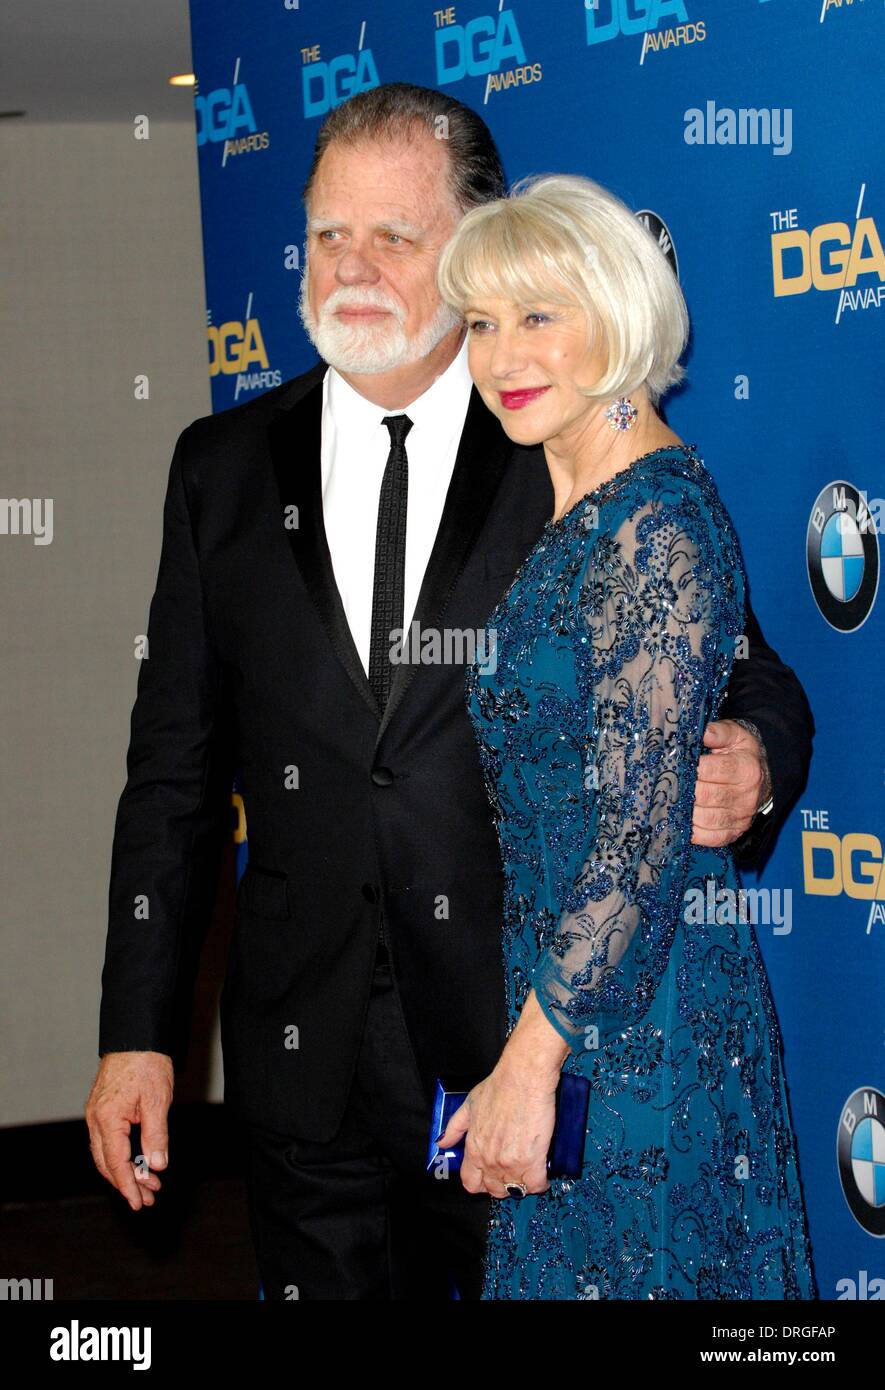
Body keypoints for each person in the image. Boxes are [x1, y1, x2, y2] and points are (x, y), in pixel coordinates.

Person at [86, 84, 813, 1301]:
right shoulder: (218, 470)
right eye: (327, 234)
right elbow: (172, 773)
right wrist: (135, 1030)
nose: (350, 267)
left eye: (394, 236)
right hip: (298, 1063)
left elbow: (748, 665)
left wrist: (754, 751)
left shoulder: (560, 433)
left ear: (470, 238)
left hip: (513, 1065)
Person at [433, 172, 817, 1299]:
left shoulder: (652, 521)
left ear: (621, 312)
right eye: (482, 322)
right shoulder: (573, 492)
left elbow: (636, 847)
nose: (503, 353)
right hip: (569, 1003)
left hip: (631, 1024)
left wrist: (527, 1064)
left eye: (538, 315)